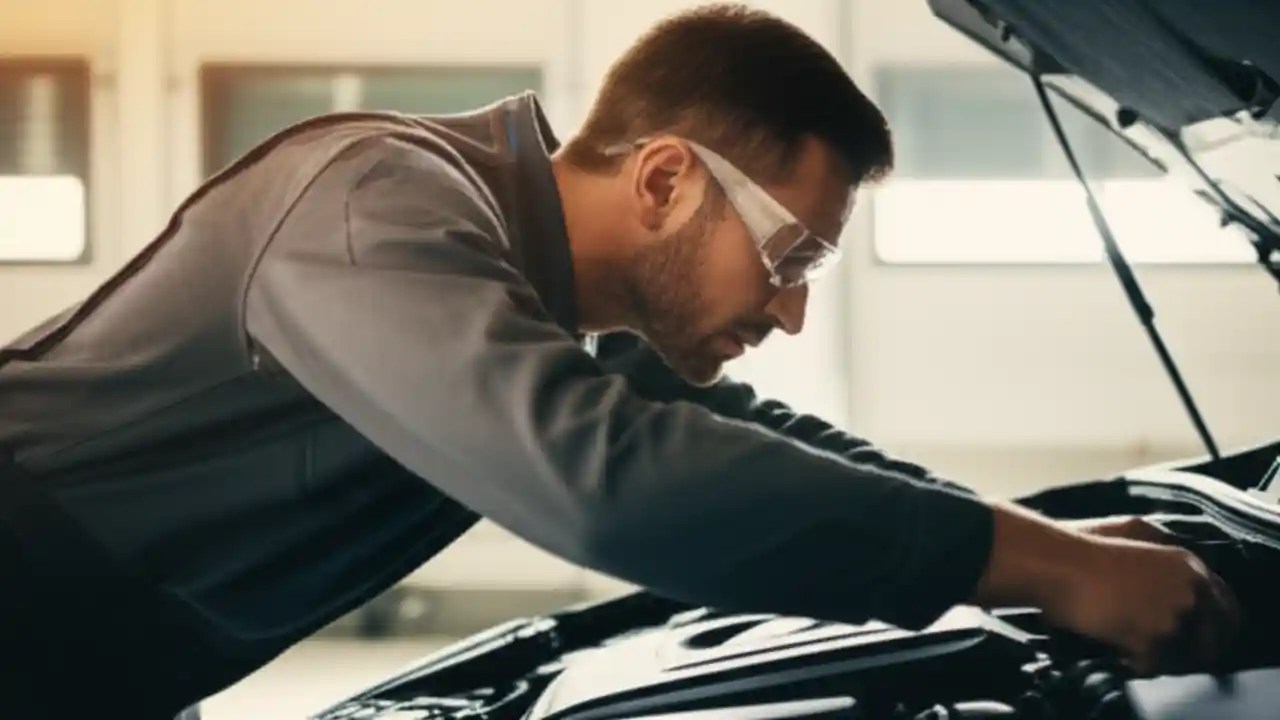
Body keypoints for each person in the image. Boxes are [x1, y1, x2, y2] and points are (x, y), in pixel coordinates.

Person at [0, 4, 1239, 717]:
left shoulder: (528, 292)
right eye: (792, 255)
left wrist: (1025, 536)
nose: (792, 310)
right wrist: (1022, 564)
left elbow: (755, 439)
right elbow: (604, 477)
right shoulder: (376, 201)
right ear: (662, 179)